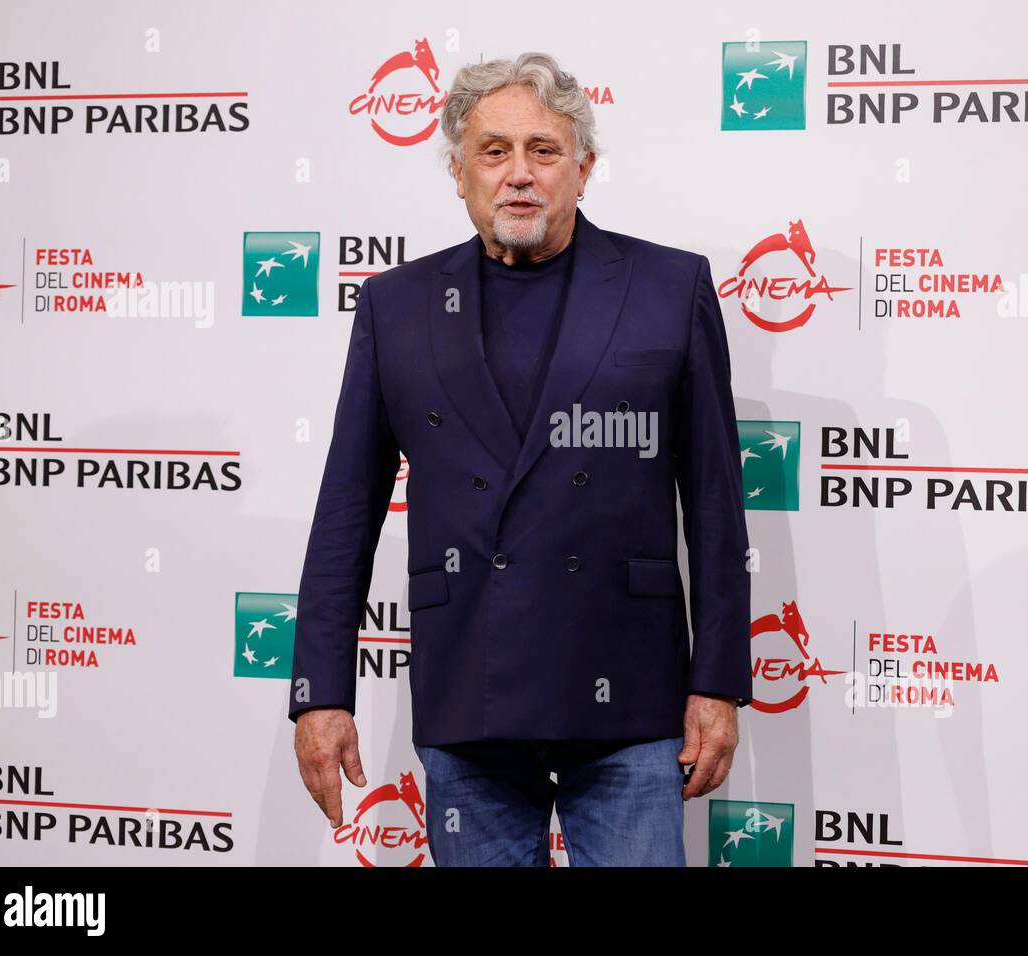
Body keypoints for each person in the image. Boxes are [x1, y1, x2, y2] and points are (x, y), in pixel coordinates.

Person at [289, 51, 751, 866]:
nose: (520, 175)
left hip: (630, 703)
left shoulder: (668, 288)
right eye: (494, 151)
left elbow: (714, 504)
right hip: (472, 696)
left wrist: (716, 682)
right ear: (459, 171)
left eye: (544, 150)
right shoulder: (396, 306)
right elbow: (346, 515)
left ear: (584, 167)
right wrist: (321, 694)